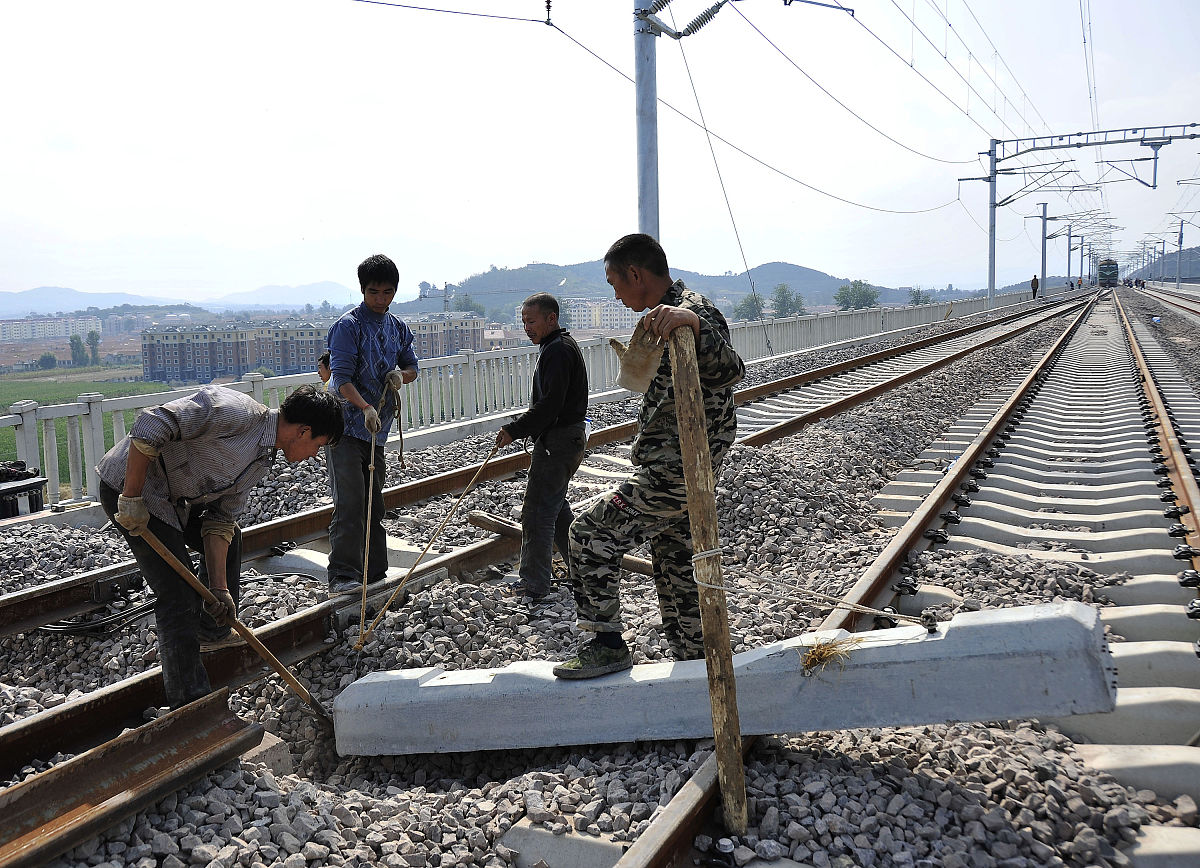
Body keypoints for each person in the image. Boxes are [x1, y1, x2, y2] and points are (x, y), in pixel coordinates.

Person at [554, 233, 745, 679]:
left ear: (636, 275)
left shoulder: (691, 311)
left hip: (678, 472)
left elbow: (730, 369)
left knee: (588, 534)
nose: (615, 294)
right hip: (677, 468)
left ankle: (606, 644)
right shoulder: (668, 314)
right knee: (678, 574)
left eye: (615, 283)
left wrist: (693, 325)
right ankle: (698, 669)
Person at [97, 384, 344, 709]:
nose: (314, 454)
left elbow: (220, 522)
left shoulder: (260, 460)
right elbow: (150, 424)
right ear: (303, 431)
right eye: (318, 445)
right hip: (133, 489)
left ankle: (211, 631)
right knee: (178, 595)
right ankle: (190, 705)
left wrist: (219, 589)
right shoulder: (234, 411)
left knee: (233, 536)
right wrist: (131, 497)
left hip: (174, 500)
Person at [326, 254, 419, 595]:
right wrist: (365, 406)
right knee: (350, 502)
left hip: (377, 431)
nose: (381, 299)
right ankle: (343, 576)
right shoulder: (348, 327)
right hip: (347, 428)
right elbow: (341, 378)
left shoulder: (397, 327)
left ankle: (375, 572)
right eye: (374, 292)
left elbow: (411, 366)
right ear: (363, 290)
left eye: (387, 292)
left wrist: (401, 376)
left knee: (373, 502)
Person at [495, 293, 589, 601]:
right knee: (557, 509)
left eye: (531, 321)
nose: (526, 328)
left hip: (558, 440)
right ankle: (583, 571)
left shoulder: (558, 351)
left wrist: (515, 429)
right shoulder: (557, 346)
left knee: (536, 512)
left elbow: (551, 405)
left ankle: (533, 584)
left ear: (551, 318)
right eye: (523, 322)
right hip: (566, 438)